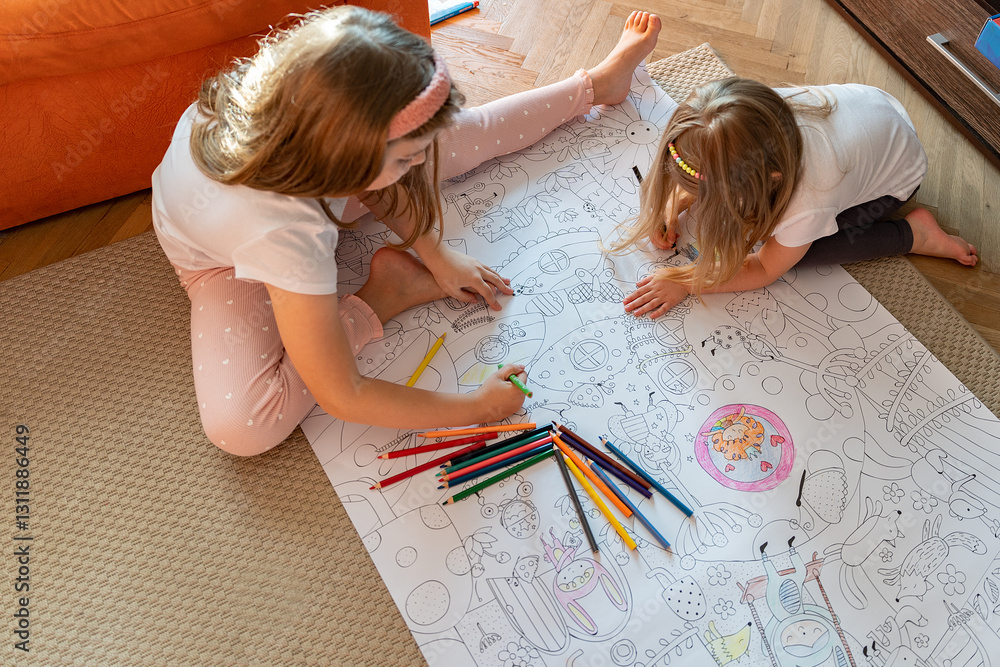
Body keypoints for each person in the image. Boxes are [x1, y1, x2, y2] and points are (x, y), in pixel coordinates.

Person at [151, 6, 662, 455]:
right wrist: (477, 408)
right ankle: (382, 296)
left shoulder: (303, 97)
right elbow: (343, 393)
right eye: (408, 157)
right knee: (242, 426)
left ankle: (595, 84)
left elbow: (375, 178)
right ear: (348, 160)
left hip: (308, 190)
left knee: (464, 137)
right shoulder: (286, 234)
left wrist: (436, 253)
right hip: (220, 263)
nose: (421, 164)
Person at [614, 77, 978, 319]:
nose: (701, 201)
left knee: (799, 251)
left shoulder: (809, 198)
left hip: (896, 180)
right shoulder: (746, 116)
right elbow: (707, 155)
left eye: (709, 194)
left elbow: (766, 269)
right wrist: (674, 201)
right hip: (874, 112)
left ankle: (915, 235)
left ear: (769, 180)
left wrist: (687, 281)